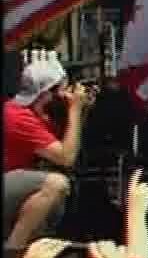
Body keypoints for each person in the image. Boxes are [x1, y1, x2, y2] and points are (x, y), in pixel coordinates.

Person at [3, 55, 87, 247]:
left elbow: (69, 144)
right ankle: (12, 252)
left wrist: (81, 112)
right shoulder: (17, 116)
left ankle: (30, 247)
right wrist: (75, 110)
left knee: (53, 197)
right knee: (55, 184)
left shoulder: (35, 115)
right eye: (63, 89)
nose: (67, 94)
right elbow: (66, 157)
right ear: (47, 93)